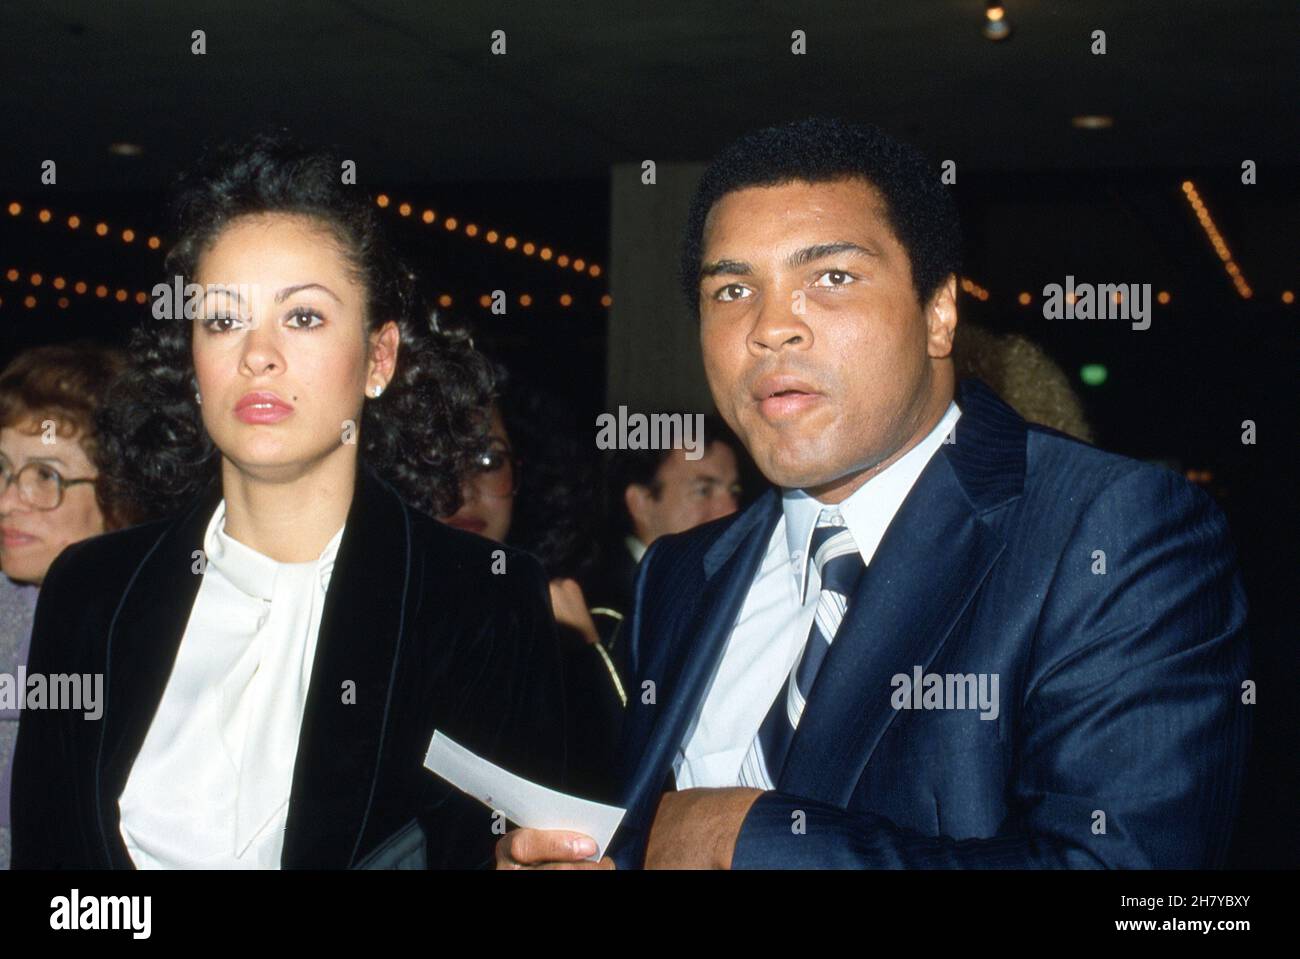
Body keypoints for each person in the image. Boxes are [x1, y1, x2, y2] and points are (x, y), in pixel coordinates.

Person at [496, 117, 1249, 869]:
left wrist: (750, 839)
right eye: (732, 288)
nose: (771, 327)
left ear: (939, 312)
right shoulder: (680, 574)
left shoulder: (1110, 532)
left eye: (831, 277)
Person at [11, 134, 566, 870]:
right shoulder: (90, 590)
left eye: (303, 317)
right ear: (193, 359)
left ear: (379, 358)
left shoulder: (479, 605)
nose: (257, 354)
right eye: (223, 319)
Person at [440, 373, 625, 800]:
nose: (463, 488)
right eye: (437, 459)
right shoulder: (356, 614)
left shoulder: (583, 621)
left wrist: (582, 659)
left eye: (488, 461)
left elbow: (620, 801)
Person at [0, 342, 126, 869]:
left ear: (118, 495)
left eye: (45, 476)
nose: (8, 501)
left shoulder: (146, 637)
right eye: (3, 469)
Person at [585, 417, 744, 648]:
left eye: (734, 491)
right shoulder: (604, 613)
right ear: (641, 502)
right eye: (704, 491)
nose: (731, 510)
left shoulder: (729, 590)